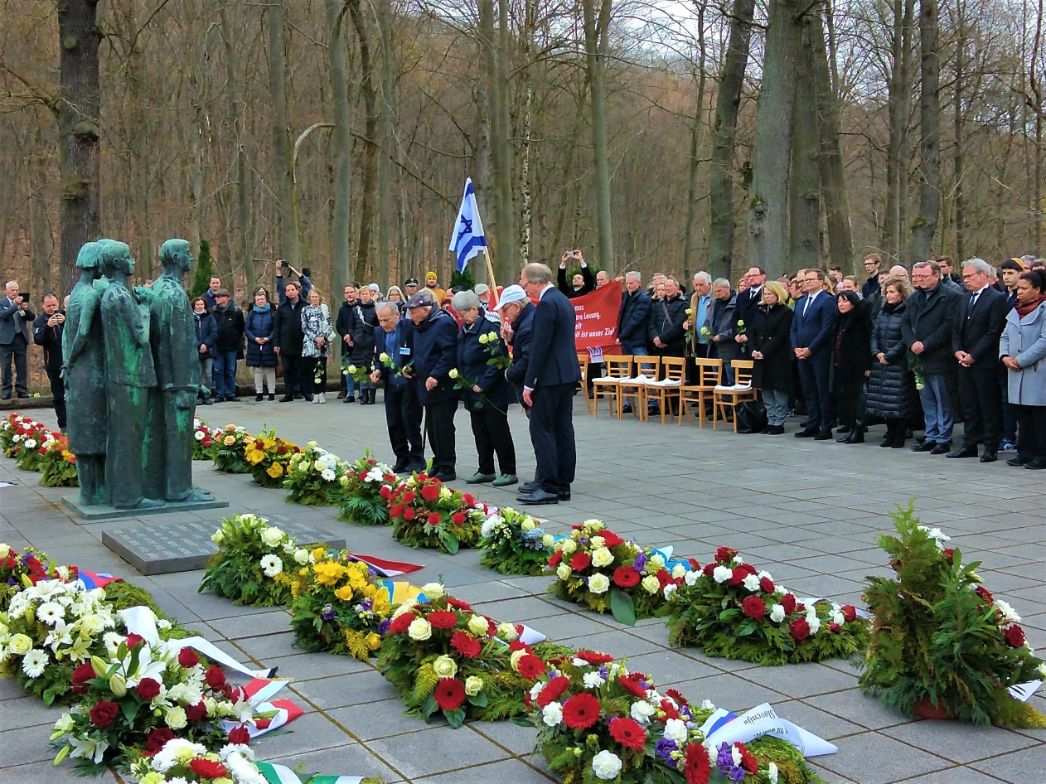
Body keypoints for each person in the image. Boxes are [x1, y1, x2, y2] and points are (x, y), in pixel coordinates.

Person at [99, 240, 159, 509]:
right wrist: (145, 306)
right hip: (131, 375)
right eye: (128, 256)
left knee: (123, 436)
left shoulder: (113, 294)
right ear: (116, 264)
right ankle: (129, 496)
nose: (133, 259)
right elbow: (141, 336)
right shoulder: (121, 296)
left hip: (120, 374)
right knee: (129, 438)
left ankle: (118, 492)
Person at [516, 263, 580, 506]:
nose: (522, 285)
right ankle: (562, 482)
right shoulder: (563, 300)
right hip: (566, 374)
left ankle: (549, 485)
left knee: (542, 429)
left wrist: (529, 383)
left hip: (549, 377)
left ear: (536, 282)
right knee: (563, 428)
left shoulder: (545, 305)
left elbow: (540, 347)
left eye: (524, 281)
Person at [453, 290, 517, 486]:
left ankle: (508, 470)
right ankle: (486, 468)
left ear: (474, 309)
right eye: (458, 314)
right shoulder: (463, 331)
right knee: (479, 432)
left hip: (492, 392)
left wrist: (484, 383)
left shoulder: (489, 330)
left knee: (497, 431)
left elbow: (498, 361)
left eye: (463, 313)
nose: (460, 317)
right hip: (472, 391)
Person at [948, 258, 1009, 462]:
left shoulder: (996, 298)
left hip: (984, 361)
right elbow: (956, 329)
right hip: (963, 361)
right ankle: (969, 443)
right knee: (968, 404)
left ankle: (991, 445)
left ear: (983, 275)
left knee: (988, 404)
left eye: (969, 276)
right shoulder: (964, 299)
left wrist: (974, 355)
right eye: (964, 276)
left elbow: (994, 331)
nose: (966, 280)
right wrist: (957, 351)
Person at [903, 260, 962, 453]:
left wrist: (926, 344)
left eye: (923, 276)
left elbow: (949, 326)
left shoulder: (951, 296)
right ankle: (931, 434)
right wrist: (912, 343)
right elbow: (905, 323)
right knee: (926, 399)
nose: (918, 280)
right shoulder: (914, 298)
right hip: (919, 358)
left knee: (943, 399)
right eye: (916, 277)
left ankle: (943, 438)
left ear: (936, 276)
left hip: (940, 356)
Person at [63, 243, 107, 504]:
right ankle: (92, 492)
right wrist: (69, 361)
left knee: (84, 431)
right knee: (92, 432)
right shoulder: (90, 295)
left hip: (79, 370)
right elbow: (81, 332)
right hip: (88, 369)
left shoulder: (75, 291)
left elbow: (69, 333)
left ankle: (90, 491)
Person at [407, 289, 458, 481]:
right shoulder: (419, 326)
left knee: (442, 426)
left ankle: (447, 465)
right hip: (424, 384)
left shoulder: (442, 323)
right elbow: (421, 353)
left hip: (442, 385)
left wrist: (436, 374)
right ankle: (438, 461)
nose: (411, 315)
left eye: (414, 311)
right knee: (432, 426)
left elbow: (449, 353)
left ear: (426, 309)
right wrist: (411, 366)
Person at [369, 301, 424, 473]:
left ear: (397, 316)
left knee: (410, 420)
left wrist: (412, 367)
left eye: (387, 320)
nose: (383, 324)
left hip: (408, 382)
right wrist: (377, 370)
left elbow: (419, 352)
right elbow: (379, 357)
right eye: (380, 320)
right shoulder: (378, 331)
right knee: (393, 422)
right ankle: (401, 457)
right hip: (391, 384)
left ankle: (417, 458)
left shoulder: (409, 327)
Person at [1001, 270, 1046, 469]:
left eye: (1024, 288)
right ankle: (1024, 451)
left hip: (1036, 371)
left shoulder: (1044, 310)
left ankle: (1042, 454)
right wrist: (1004, 357)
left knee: (1039, 416)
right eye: (1018, 288)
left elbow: (1044, 342)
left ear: (1037, 290)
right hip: (1015, 370)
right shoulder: (1016, 309)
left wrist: (1020, 360)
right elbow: (1005, 335)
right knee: (1022, 415)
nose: (1018, 292)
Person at [867, 278, 916, 448]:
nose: (889, 295)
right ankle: (889, 433)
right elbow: (874, 333)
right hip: (880, 361)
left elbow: (905, 338)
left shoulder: (906, 311)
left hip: (897, 362)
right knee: (883, 399)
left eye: (892, 292)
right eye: (887, 292)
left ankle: (899, 435)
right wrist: (877, 352)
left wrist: (890, 355)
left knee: (898, 400)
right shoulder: (882, 311)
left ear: (901, 293)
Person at [790, 269, 838, 439]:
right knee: (808, 390)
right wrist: (796, 347)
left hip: (819, 354)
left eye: (811, 279)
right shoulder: (801, 302)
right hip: (801, 353)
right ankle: (812, 422)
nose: (806, 282)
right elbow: (794, 327)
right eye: (805, 280)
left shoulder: (828, 301)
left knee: (822, 390)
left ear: (821, 281)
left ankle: (825, 425)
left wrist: (811, 349)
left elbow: (826, 329)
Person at [749, 282, 794, 435]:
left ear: (778, 294)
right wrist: (754, 349)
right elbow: (753, 331)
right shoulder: (760, 311)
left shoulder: (785, 312)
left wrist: (764, 351)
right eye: (765, 294)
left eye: (770, 294)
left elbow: (781, 336)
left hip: (777, 356)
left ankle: (779, 421)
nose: (767, 297)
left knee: (778, 389)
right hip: (760, 356)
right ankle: (770, 418)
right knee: (765, 388)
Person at [830, 291, 872, 443]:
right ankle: (851, 427)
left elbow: (867, 341)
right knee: (848, 398)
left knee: (858, 397)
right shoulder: (839, 319)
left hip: (857, 364)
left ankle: (859, 429)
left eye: (845, 301)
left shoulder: (860, 318)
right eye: (839, 301)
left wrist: (868, 365)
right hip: (843, 364)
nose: (841, 304)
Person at [32, 293, 66, 428]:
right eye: (48, 306)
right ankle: (63, 425)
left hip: (70, 362)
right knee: (58, 396)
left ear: (58, 303)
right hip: (53, 364)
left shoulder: (66, 316)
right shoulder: (39, 322)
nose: (52, 308)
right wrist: (48, 326)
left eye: (54, 305)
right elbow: (38, 340)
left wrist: (65, 323)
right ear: (43, 306)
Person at [498, 284, 535, 406]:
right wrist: (513, 338)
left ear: (516, 307)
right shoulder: (529, 319)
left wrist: (509, 373)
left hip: (535, 386)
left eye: (505, 309)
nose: (504, 314)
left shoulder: (527, 325)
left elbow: (529, 358)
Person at [0, 280, 35, 400]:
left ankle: (22, 390)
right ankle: (6, 391)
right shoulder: (2, 303)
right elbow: (3, 315)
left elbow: (31, 317)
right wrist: (15, 305)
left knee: (21, 366)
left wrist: (25, 309)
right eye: (12, 290)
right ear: (6, 291)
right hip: (5, 340)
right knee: (6, 367)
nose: (15, 292)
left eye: (16, 290)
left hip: (20, 337)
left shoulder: (21, 304)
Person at [274, 280, 308, 401]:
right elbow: (276, 326)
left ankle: (305, 392)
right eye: (288, 290)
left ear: (297, 291)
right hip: (286, 343)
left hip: (302, 342)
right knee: (287, 369)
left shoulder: (305, 305)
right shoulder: (282, 307)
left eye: (292, 290)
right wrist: (276, 343)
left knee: (302, 368)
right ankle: (288, 393)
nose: (290, 292)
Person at [302, 289, 336, 404]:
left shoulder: (325, 309)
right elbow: (304, 327)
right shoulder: (305, 310)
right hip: (310, 344)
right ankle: (314, 392)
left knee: (321, 368)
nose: (314, 299)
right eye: (312, 297)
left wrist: (323, 338)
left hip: (323, 343)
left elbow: (330, 324)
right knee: (312, 369)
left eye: (316, 296)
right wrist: (315, 338)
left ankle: (322, 392)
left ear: (320, 297)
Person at [211, 288, 244, 402]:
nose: (217, 299)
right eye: (216, 297)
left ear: (227, 298)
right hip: (217, 346)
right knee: (218, 370)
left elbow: (240, 329)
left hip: (231, 346)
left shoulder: (236, 312)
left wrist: (237, 341)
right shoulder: (213, 311)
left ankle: (230, 392)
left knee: (230, 370)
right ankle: (220, 393)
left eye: (219, 296)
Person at [244, 287, 278, 401]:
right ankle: (259, 392)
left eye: (262, 299)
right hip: (255, 345)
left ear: (266, 299)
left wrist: (269, 338)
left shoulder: (272, 313)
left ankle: (272, 392)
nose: (260, 301)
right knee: (258, 370)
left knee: (270, 369)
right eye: (258, 299)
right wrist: (255, 338)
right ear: (255, 300)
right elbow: (247, 329)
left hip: (269, 344)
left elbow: (275, 328)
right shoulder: (252, 314)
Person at [349, 284, 379, 404]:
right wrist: (353, 337)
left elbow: (378, 327)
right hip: (359, 344)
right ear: (359, 296)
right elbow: (351, 326)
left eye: (366, 293)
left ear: (370, 294)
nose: (365, 296)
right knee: (361, 369)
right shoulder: (355, 310)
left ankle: (372, 395)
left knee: (371, 368)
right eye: (362, 294)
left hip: (371, 343)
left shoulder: (376, 309)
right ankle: (363, 394)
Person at [647, 276, 688, 361]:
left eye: (670, 286)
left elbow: (678, 326)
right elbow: (651, 324)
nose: (668, 288)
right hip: (657, 348)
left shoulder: (683, 305)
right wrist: (655, 338)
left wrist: (662, 339)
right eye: (666, 286)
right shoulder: (657, 305)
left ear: (677, 288)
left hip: (674, 348)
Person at [708, 278, 741, 385]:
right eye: (715, 292)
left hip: (730, 347)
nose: (717, 294)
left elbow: (736, 326)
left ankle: (733, 400)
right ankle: (721, 400)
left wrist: (722, 336)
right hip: (715, 346)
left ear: (727, 288)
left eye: (719, 291)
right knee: (718, 380)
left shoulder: (737, 302)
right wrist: (707, 332)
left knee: (731, 379)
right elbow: (708, 320)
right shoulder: (714, 303)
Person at [617, 271, 651, 356]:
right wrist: (616, 285)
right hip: (625, 341)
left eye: (631, 283)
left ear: (639, 283)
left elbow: (635, 321)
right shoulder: (626, 296)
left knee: (643, 367)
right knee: (626, 368)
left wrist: (621, 337)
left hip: (637, 341)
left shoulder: (643, 299)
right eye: (627, 283)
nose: (628, 286)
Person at [336, 285, 359, 401]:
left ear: (355, 293)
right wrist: (345, 335)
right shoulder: (342, 309)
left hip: (359, 343)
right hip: (346, 343)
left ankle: (361, 392)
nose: (349, 294)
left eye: (351, 292)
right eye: (347, 293)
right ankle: (350, 393)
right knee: (348, 369)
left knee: (360, 368)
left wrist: (353, 337)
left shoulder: (360, 307)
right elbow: (339, 325)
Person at [191, 296, 216, 404]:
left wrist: (206, 344)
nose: (200, 306)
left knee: (208, 374)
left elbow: (214, 332)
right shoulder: (190, 318)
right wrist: (198, 344)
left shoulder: (210, 317)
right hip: (195, 351)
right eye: (198, 304)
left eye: (202, 304)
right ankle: (198, 395)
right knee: (197, 375)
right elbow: (190, 333)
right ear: (194, 306)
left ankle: (207, 395)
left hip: (208, 350)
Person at [687, 271, 712, 360]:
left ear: (709, 284)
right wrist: (687, 323)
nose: (697, 288)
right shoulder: (694, 298)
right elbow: (691, 316)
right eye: (696, 285)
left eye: (701, 285)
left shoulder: (715, 297)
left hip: (711, 343)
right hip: (697, 342)